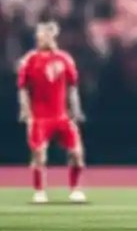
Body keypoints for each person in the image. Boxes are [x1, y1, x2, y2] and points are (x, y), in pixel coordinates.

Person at [17, 22, 86, 204]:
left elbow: (72, 87)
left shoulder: (64, 59)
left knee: (76, 153)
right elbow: (23, 89)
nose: (45, 37)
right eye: (42, 34)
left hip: (61, 115)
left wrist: (76, 110)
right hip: (40, 117)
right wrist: (25, 110)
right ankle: (39, 190)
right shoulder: (30, 60)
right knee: (38, 154)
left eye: (48, 34)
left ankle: (75, 189)